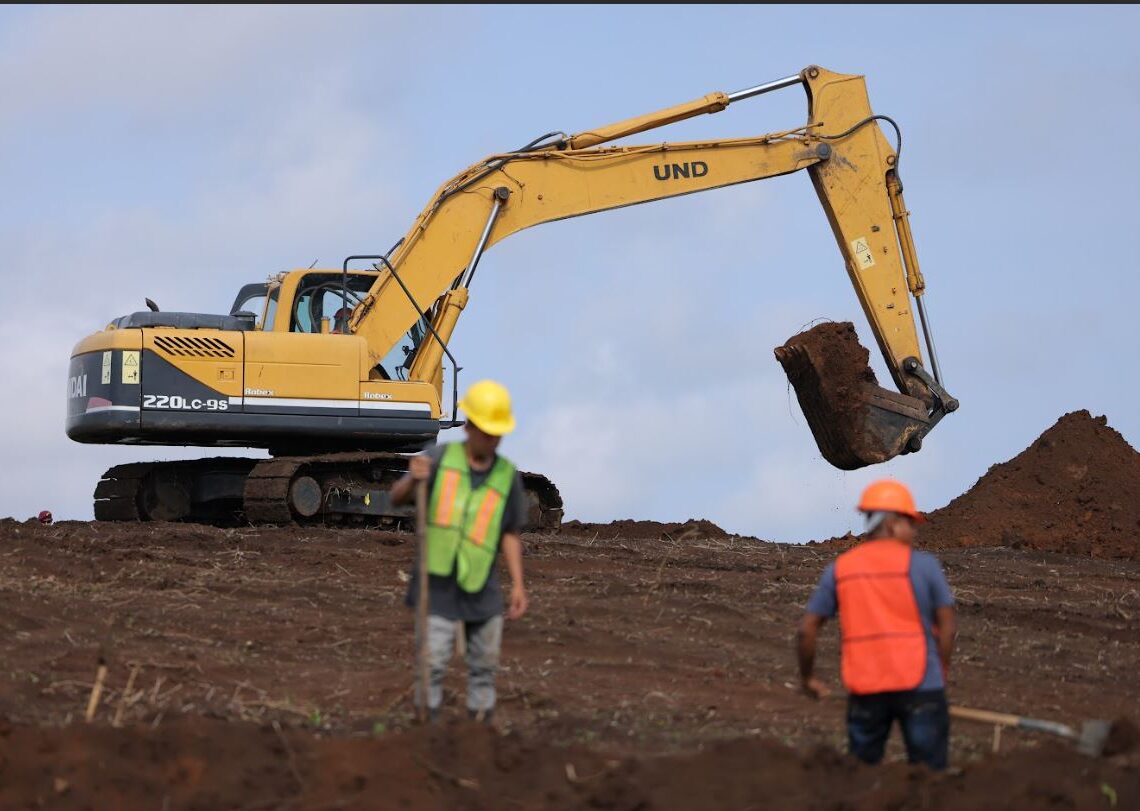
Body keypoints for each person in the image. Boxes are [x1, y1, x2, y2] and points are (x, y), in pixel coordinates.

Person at [390, 379, 529, 723]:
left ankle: (479, 733)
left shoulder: (507, 476)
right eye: (487, 432)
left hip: (482, 587)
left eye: (497, 434)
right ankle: (428, 729)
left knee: (484, 666)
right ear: (469, 427)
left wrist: (518, 585)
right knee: (432, 663)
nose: (493, 440)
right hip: (437, 584)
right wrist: (413, 479)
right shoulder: (439, 459)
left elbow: (510, 533)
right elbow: (397, 498)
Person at [796, 479, 957, 770]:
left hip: (866, 688)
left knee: (862, 775)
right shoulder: (925, 566)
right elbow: (947, 627)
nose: (915, 531)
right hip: (922, 686)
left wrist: (808, 678)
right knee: (931, 778)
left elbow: (807, 629)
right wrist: (940, 672)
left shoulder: (841, 569)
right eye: (911, 524)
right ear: (893, 524)